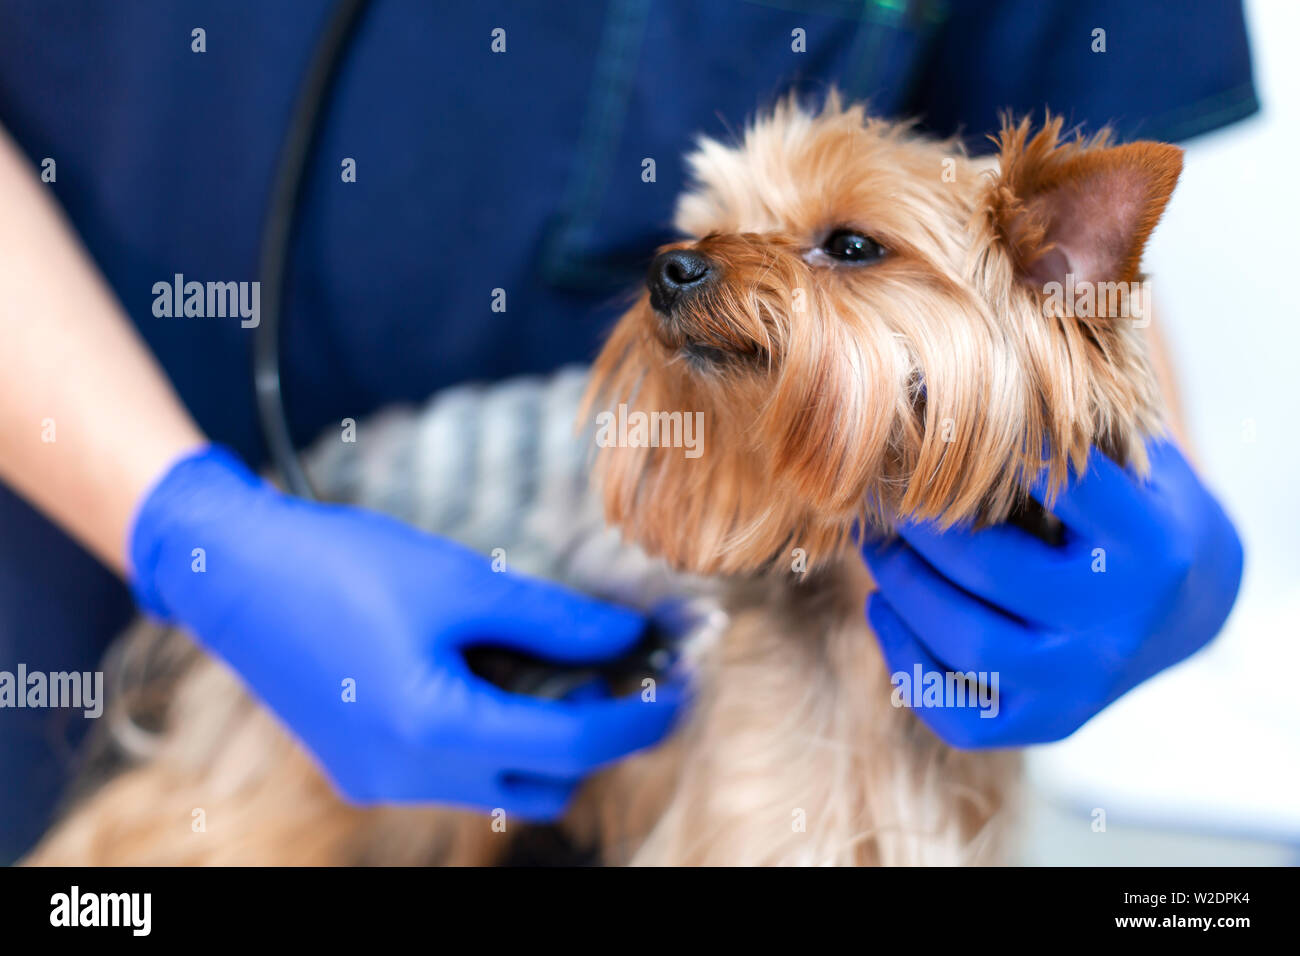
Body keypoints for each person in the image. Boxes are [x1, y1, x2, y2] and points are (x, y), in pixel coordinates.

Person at [0, 0, 1254, 862]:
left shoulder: (1054, 264)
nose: (693, 271)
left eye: (847, 247)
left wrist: (1159, 555)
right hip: (91, 498)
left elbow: (1082, 285)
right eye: (705, 233)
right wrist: (186, 530)